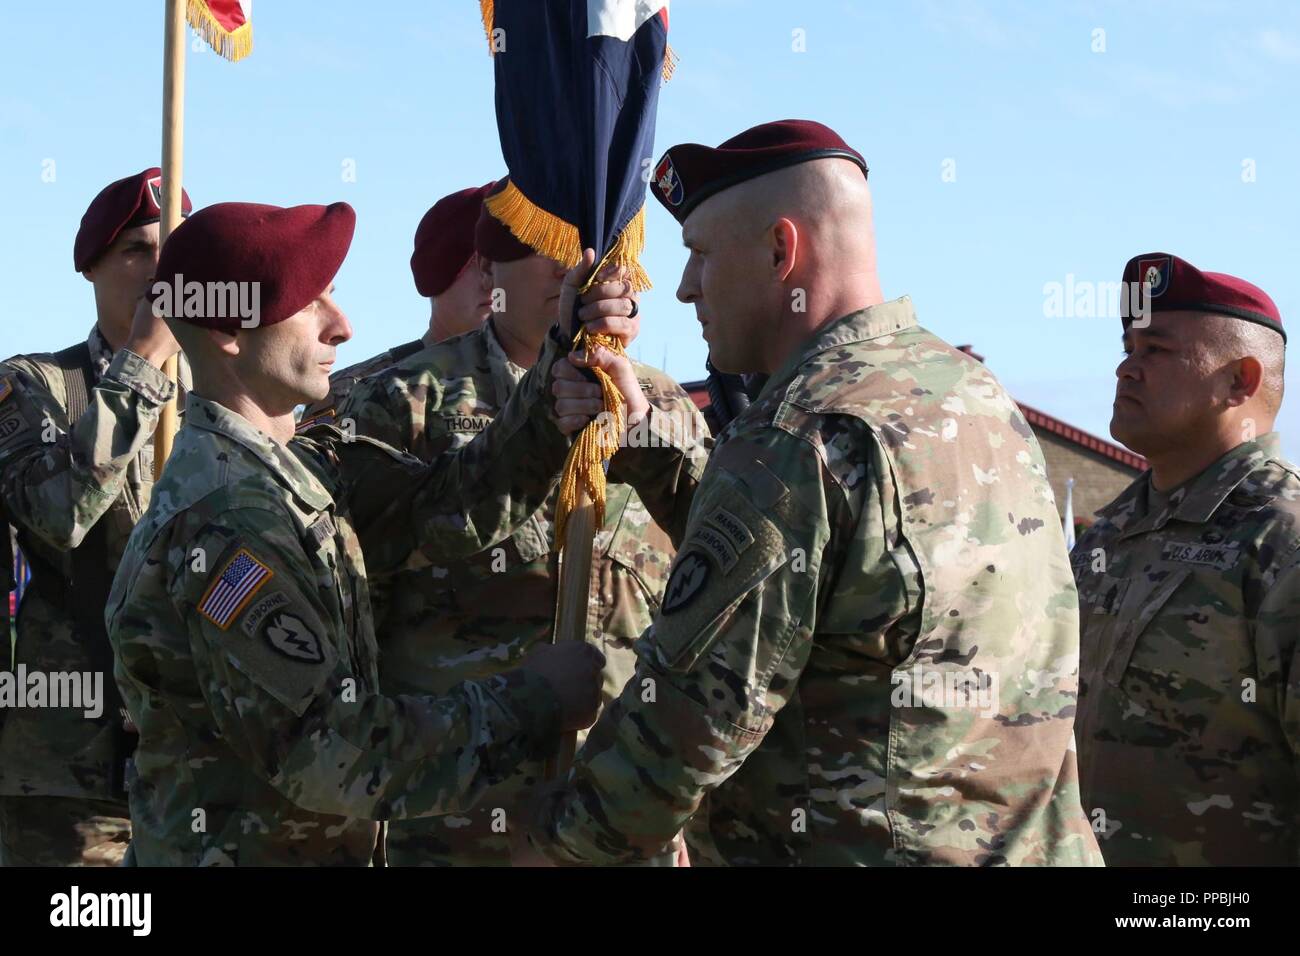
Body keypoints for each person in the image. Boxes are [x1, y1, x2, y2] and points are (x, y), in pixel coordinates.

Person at [520, 119, 1102, 866]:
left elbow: (685, 729)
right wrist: (648, 446)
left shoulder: (797, 436)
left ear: (779, 250)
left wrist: (555, 840)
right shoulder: (974, 396)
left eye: (699, 254)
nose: (687, 285)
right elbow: (842, 586)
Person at [105, 200, 615, 865]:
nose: (342, 327)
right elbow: (329, 752)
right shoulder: (226, 522)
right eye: (311, 303)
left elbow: (454, 502)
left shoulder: (298, 472)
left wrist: (557, 372)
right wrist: (535, 699)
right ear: (229, 331)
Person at [338, 184, 710, 865]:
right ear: (487, 272)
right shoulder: (405, 399)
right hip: (459, 812)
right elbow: (368, 578)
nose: (585, 274)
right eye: (557, 252)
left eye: (606, 256)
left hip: (619, 806)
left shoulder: (663, 404)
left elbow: (708, 576)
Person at [1072, 252, 1298, 865]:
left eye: (1157, 352)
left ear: (1240, 381)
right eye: (1128, 348)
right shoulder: (1107, 534)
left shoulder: (1282, 539)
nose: (1126, 368)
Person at [0, 168, 192, 866]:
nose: (159, 269)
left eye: (174, 252)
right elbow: (59, 514)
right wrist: (143, 362)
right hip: (70, 779)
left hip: (193, 772)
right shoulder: (36, 384)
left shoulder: (218, 399)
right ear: (91, 268)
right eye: (137, 251)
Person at [297, 183, 494, 430]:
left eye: (511, 262)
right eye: (480, 262)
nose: (494, 280)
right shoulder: (353, 391)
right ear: (436, 272)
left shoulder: (548, 383)